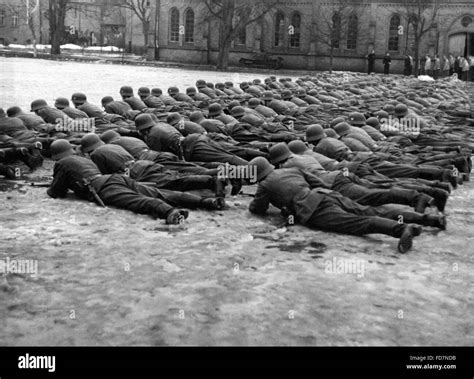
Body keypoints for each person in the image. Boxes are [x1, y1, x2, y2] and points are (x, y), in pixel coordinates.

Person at [248, 157, 427, 254]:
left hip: (313, 209)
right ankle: (424, 219)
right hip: (326, 195)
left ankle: (402, 229)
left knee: (357, 222)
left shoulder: (264, 185)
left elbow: (258, 208)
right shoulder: (292, 169)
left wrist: (286, 205)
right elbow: (319, 183)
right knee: (367, 209)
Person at [47, 139, 190, 225]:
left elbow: (56, 192)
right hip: (115, 178)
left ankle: (169, 212)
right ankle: (208, 202)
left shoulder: (62, 163)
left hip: (102, 186)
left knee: (138, 201)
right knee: (160, 193)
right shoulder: (83, 159)